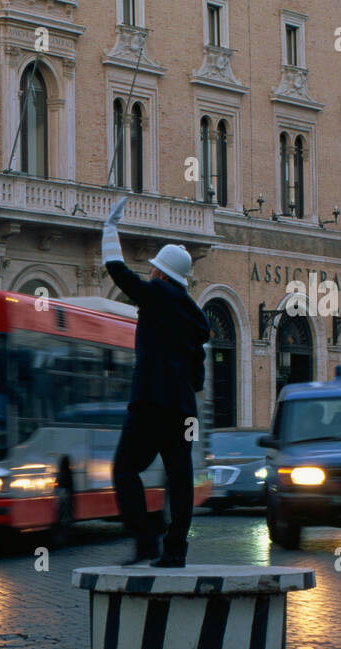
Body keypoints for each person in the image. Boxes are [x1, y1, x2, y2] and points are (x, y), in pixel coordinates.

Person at [101, 196, 210, 567]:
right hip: (182, 407)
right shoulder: (192, 314)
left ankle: (146, 541)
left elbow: (119, 273)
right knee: (179, 479)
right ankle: (175, 551)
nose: (149, 275)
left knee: (124, 468)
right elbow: (199, 374)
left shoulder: (159, 294)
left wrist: (109, 230)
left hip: (150, 401)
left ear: (161, 274)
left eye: (152, 271)